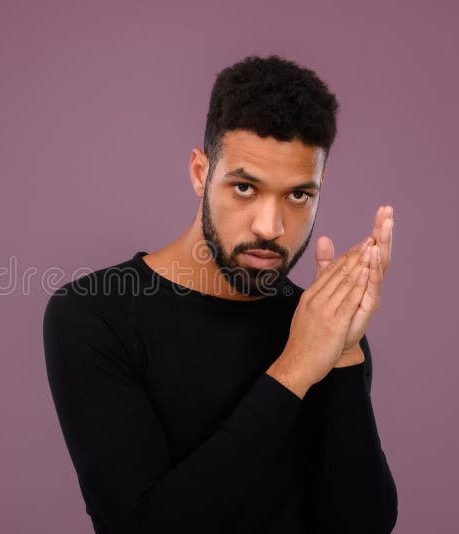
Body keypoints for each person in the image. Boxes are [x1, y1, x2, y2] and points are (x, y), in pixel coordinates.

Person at [43, 54, 398, 534]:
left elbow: (358, 526)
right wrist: (295, 369)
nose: (270, 228)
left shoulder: (324, 325)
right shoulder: (94, 315)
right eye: (245, 187)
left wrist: (346, 354)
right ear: (199, 172)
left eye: (298, 195)